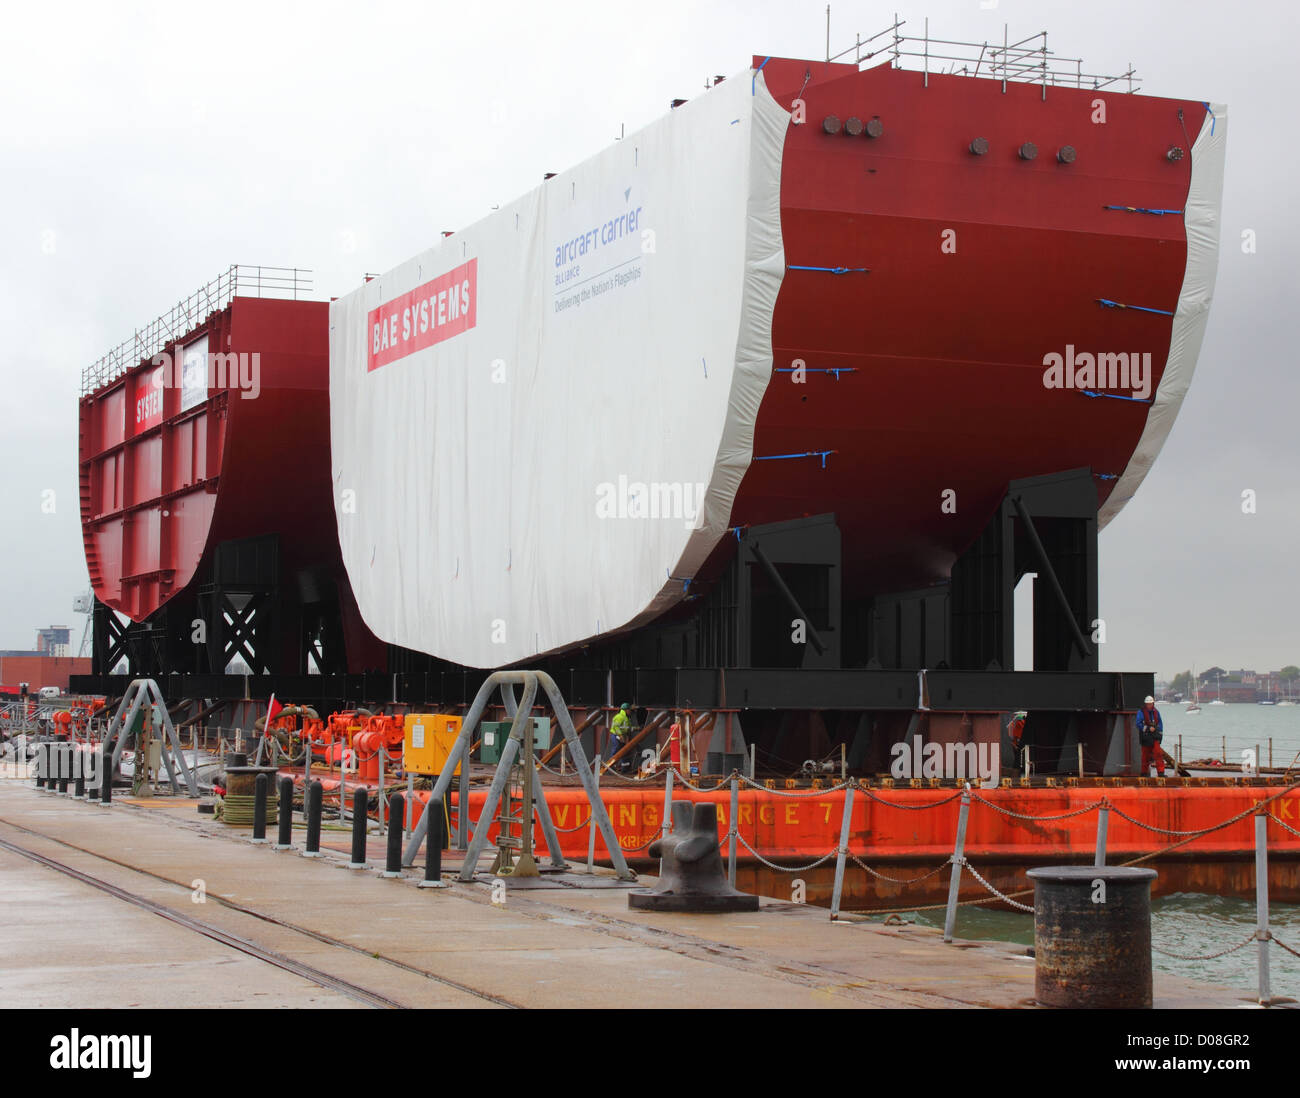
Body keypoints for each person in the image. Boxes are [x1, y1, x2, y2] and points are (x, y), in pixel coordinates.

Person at [1136, 695, 1165, 776]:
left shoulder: (1156, 712)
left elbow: (1160, 724)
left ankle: (1161, 772)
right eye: (1148, 704)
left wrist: (1159, 733)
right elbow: (1138, 724)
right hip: (1146, 736)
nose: (1149, 705)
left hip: (1154, 736)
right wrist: (1148, 728)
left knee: (1158, 754)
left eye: (1150, 704)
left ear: (1153, 703)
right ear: (1145, 704)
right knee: (1145, 755)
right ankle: (1144, 773)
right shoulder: (1141, 712)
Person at [609, 703, 631, 767]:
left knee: (624, 751)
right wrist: (620, 735)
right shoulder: (619, 717)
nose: (630, 711)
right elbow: (616, 727)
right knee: (616, 749)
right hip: (616, 736)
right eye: (629, 710)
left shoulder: (627, 718)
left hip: (622, 736)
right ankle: (611, 766)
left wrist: (636, 728)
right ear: (626, 710)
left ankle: (624, 767)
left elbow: (627, 728)